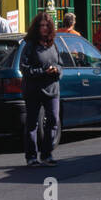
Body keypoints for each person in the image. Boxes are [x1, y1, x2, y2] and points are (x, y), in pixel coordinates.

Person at [21, 12, 61, 166]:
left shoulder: (53, 44)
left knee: (53, 120)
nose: (44, 28)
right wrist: (42, 72)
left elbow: (61, 64)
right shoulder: (30, 45)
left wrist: (56, 70)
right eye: (41, 26)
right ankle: (31, 156)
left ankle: (47, 154)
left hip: (52, 88)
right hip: (33, 90)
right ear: (36, 27)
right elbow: (24, 68)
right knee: (32, 123)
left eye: (46, 25)